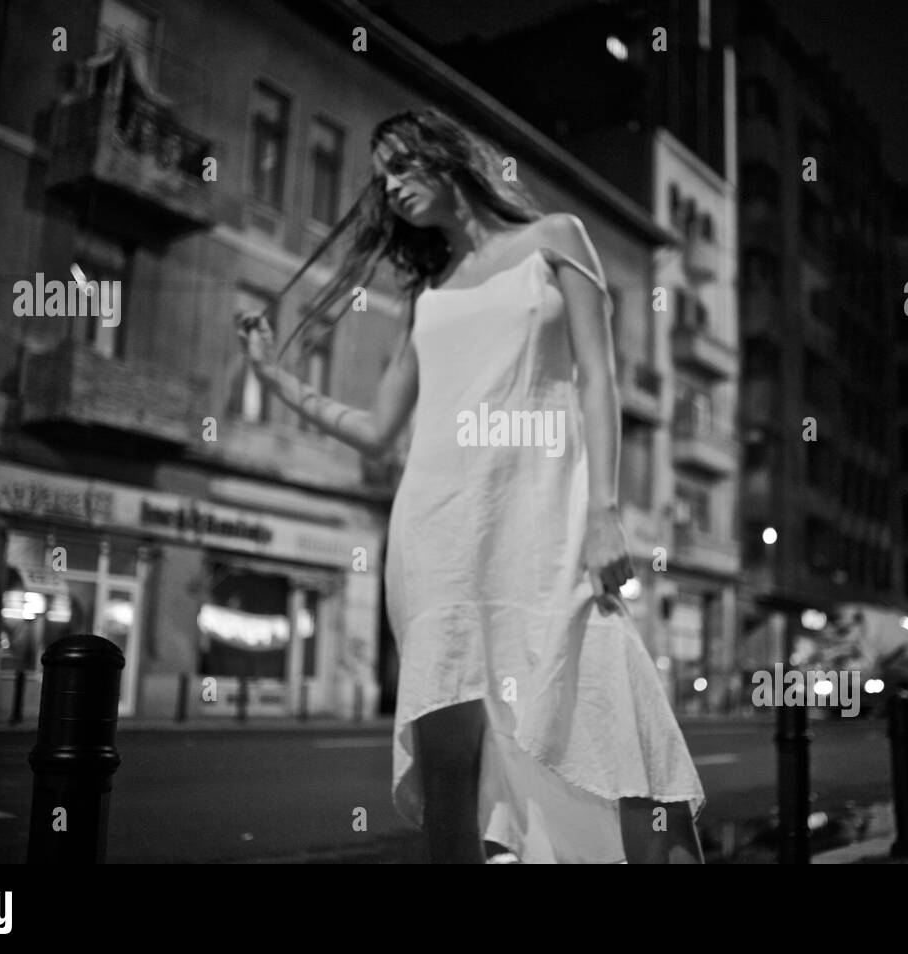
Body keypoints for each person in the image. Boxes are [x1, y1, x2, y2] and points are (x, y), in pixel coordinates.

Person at [236, 107, 704, 863]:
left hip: (547, 527)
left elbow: (599, 383)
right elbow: (379, 428)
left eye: (399, 165)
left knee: (614, 726)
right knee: (451, 774)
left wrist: (605, 511)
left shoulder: (556, 239)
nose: (390, 188)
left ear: (445, 158)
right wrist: (275, 380)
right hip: (438, 533)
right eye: (381, 179)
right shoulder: (427, 298)